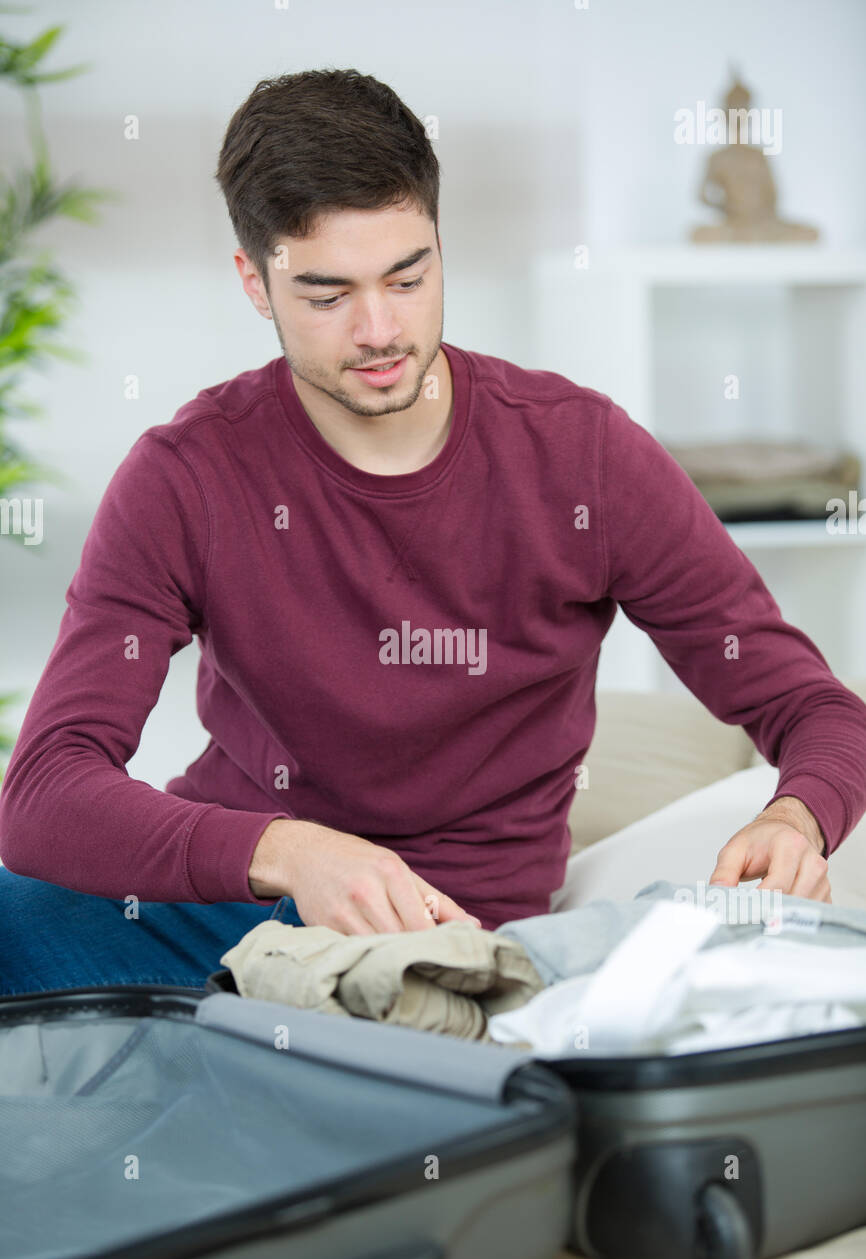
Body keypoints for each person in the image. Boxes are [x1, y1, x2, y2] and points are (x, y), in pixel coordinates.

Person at [1, 68, 864, 998]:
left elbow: (817, 709)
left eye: (408, 277)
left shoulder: (585, 456)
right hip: (233, 913)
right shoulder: (186, 475)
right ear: (255, 280)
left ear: (441, 246)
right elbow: (46, 790)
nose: (380, 330)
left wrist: (797, 819)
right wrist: (291, 852)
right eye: (327, 295)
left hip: (457, 945)